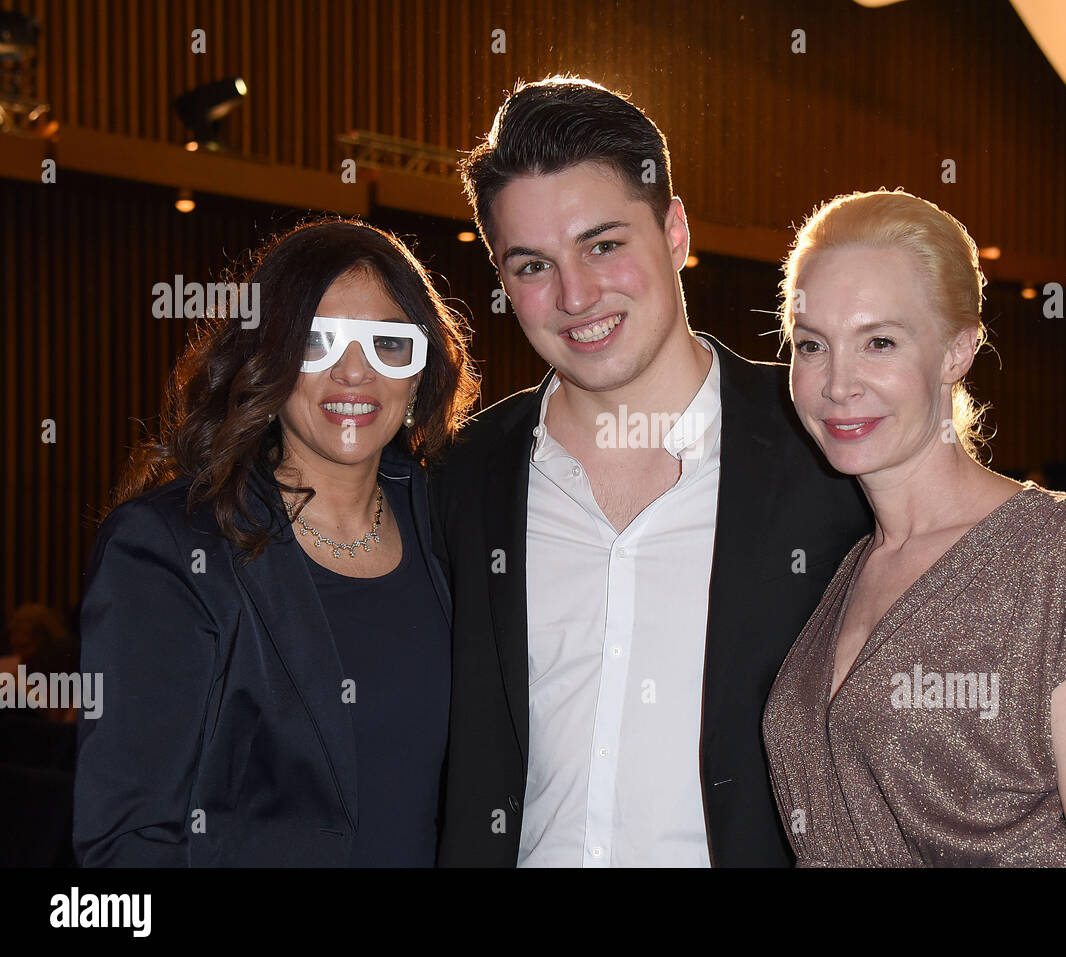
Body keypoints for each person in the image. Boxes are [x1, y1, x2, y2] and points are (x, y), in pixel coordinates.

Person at [432, 76, 871, 867]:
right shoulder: (458, 477)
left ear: (674, 230)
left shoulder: (826, 451)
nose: (575, 294)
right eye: (532, 266)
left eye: (604, 245)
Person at [762, 189, 1066, 866]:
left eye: (880, 341)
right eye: (812, 345)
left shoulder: (1064, 558)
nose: (838, 382)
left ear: (958, 350)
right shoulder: (851, 569)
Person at [74, 219, 477, 866]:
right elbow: (130, 841)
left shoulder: (449, 521)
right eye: (318, 340)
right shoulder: (169, 548)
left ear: (421, 367)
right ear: (271, 354)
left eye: (388, 345)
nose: (355, 372)